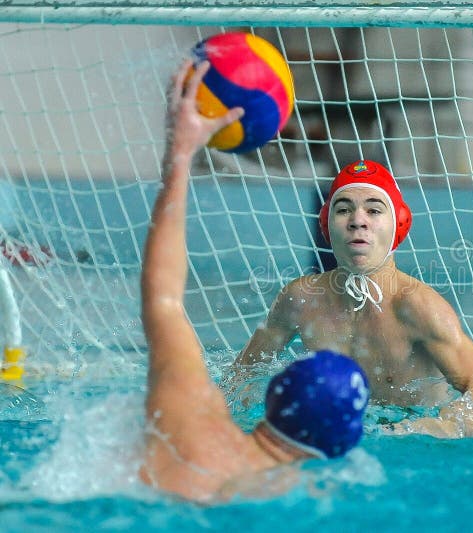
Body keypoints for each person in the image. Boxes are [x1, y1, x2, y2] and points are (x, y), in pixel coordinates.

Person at [139, 59, 370, 502]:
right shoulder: (300, 498)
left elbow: (162, 298)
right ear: (338, 450)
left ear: (271, 398)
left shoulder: (192, 414)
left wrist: (180, 151)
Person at [233, 160, 473, 437]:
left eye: (374, 210)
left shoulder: (419, 308)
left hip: (412, 446)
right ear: (326, 224)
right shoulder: (301, 299)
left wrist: (442, 427)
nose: (358, 221)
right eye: (343, 209)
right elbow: (241, 378)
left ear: (399, 224)